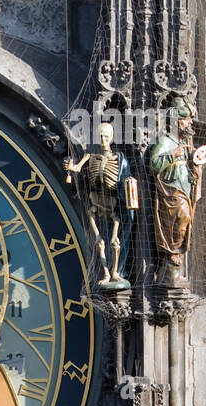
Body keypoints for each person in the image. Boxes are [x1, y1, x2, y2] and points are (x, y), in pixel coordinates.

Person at [147, 97, 206, 280]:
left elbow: (201, 160)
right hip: (170, 193)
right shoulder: (165, 142)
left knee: (184, 222)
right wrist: (171, 156)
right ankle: (172, 253)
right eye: (187, 120)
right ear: (177, 122)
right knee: (181, 218)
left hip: (186, 192)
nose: (190, 122)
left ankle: (176, 253)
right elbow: (152, 165)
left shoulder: (186, 145)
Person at [64, 121, 136, 289]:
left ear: (111, 138)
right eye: (101, 136)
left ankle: (116, 271)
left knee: (114, 241)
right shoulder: (90, 157)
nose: (103, 139)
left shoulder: (120, 159)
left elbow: (125, 178)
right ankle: (105, 272)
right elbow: (79, 172)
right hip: (96, 202)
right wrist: (71, 168)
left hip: (113, 204)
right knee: (100, 241)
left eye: (106, 136)